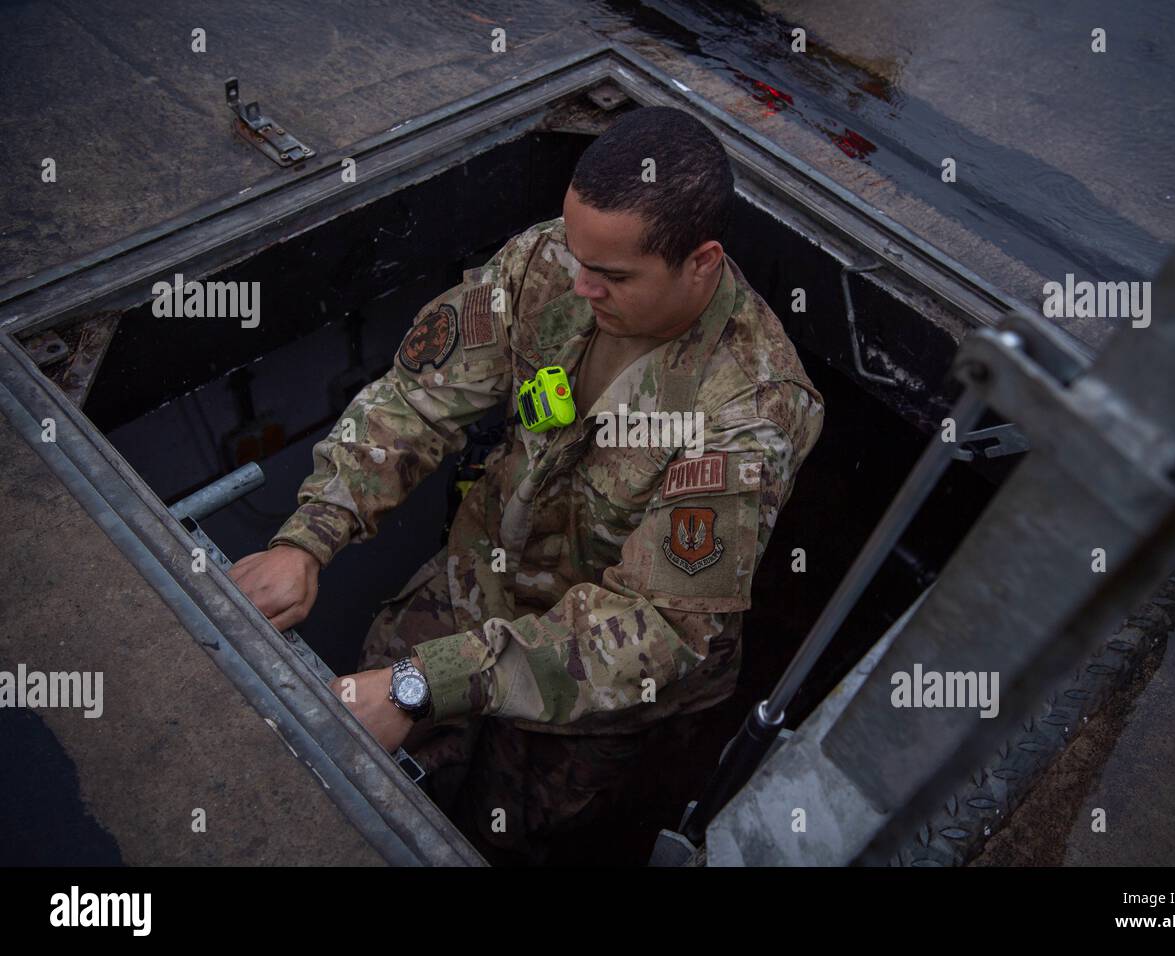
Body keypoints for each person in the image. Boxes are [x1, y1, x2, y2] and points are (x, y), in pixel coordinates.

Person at [230, 106, 824, 864]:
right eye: (576, 257)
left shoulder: (750, 407)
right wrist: (310, 535)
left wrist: (424, 685)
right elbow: (415, 399)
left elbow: (664, 629)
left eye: (610, 275)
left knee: (504, 836)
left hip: (595, 689)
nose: (580, 287)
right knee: (353, 779)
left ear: (701, 262)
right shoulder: (550, 264)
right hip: (474, 589)